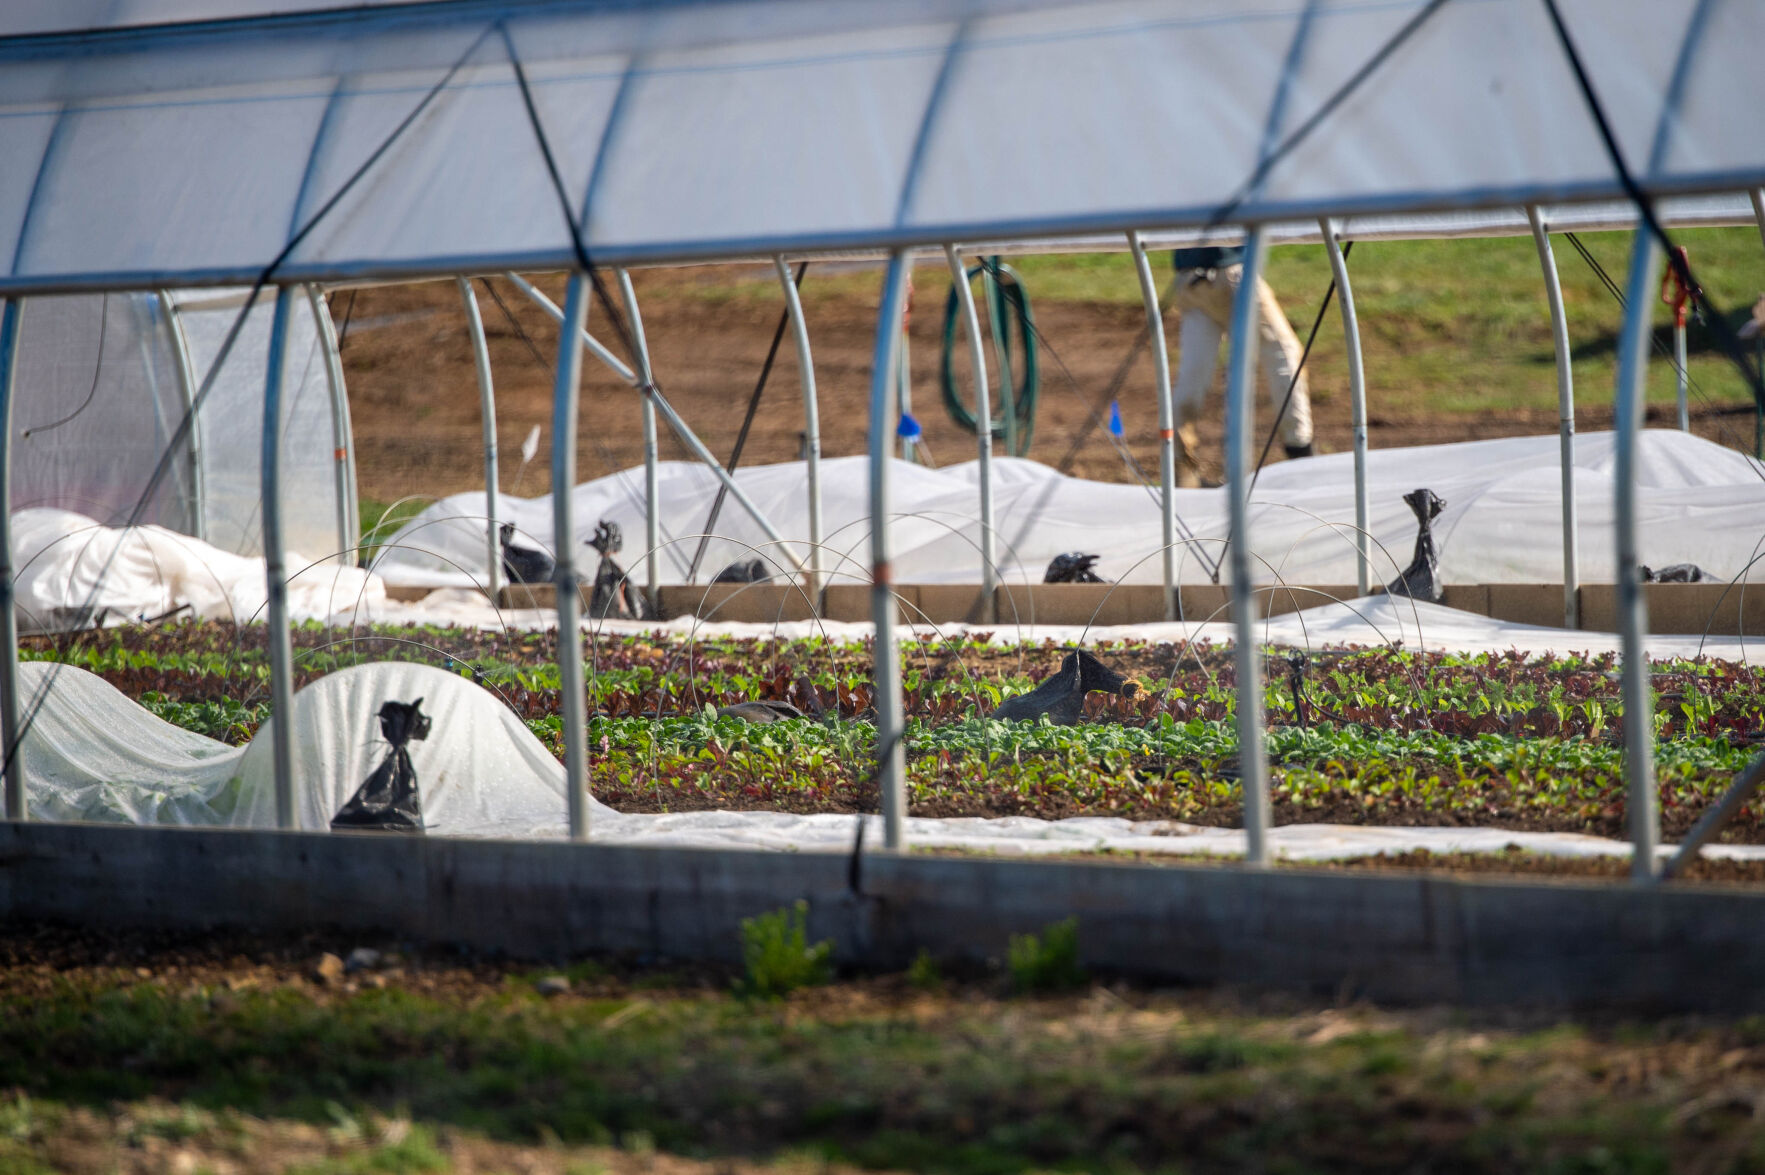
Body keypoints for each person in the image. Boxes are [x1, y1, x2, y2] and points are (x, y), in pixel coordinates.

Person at [1169, 245, 1314, 487]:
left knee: (1195, 378)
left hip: (1197, 279)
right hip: (1223, 276)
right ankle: (1300, 455)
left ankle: (1184, 470)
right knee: (1283, 356)